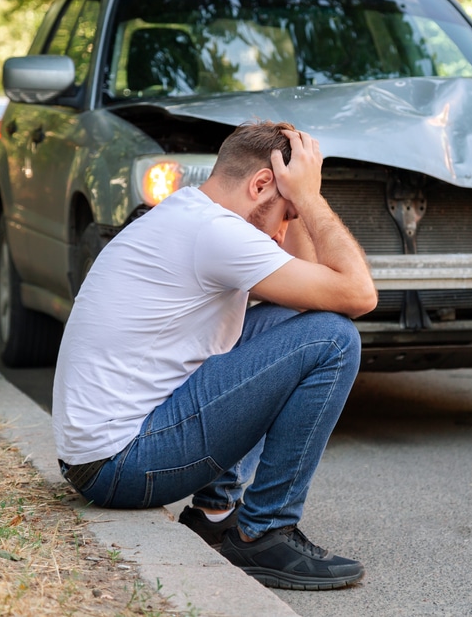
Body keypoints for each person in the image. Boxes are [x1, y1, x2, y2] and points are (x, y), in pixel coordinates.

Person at [51, 121, 378, 591]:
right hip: (117, 465)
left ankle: (214, 514)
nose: (284, 234)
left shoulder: (192, 214)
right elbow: (358, 294)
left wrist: (298, 203)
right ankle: (264, 533)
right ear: (261, 184)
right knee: (333, 339)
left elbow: (312, 296)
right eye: (285, 214)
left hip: (105, 453)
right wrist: (309, 197)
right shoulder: (216, 234)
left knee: (294, 320)